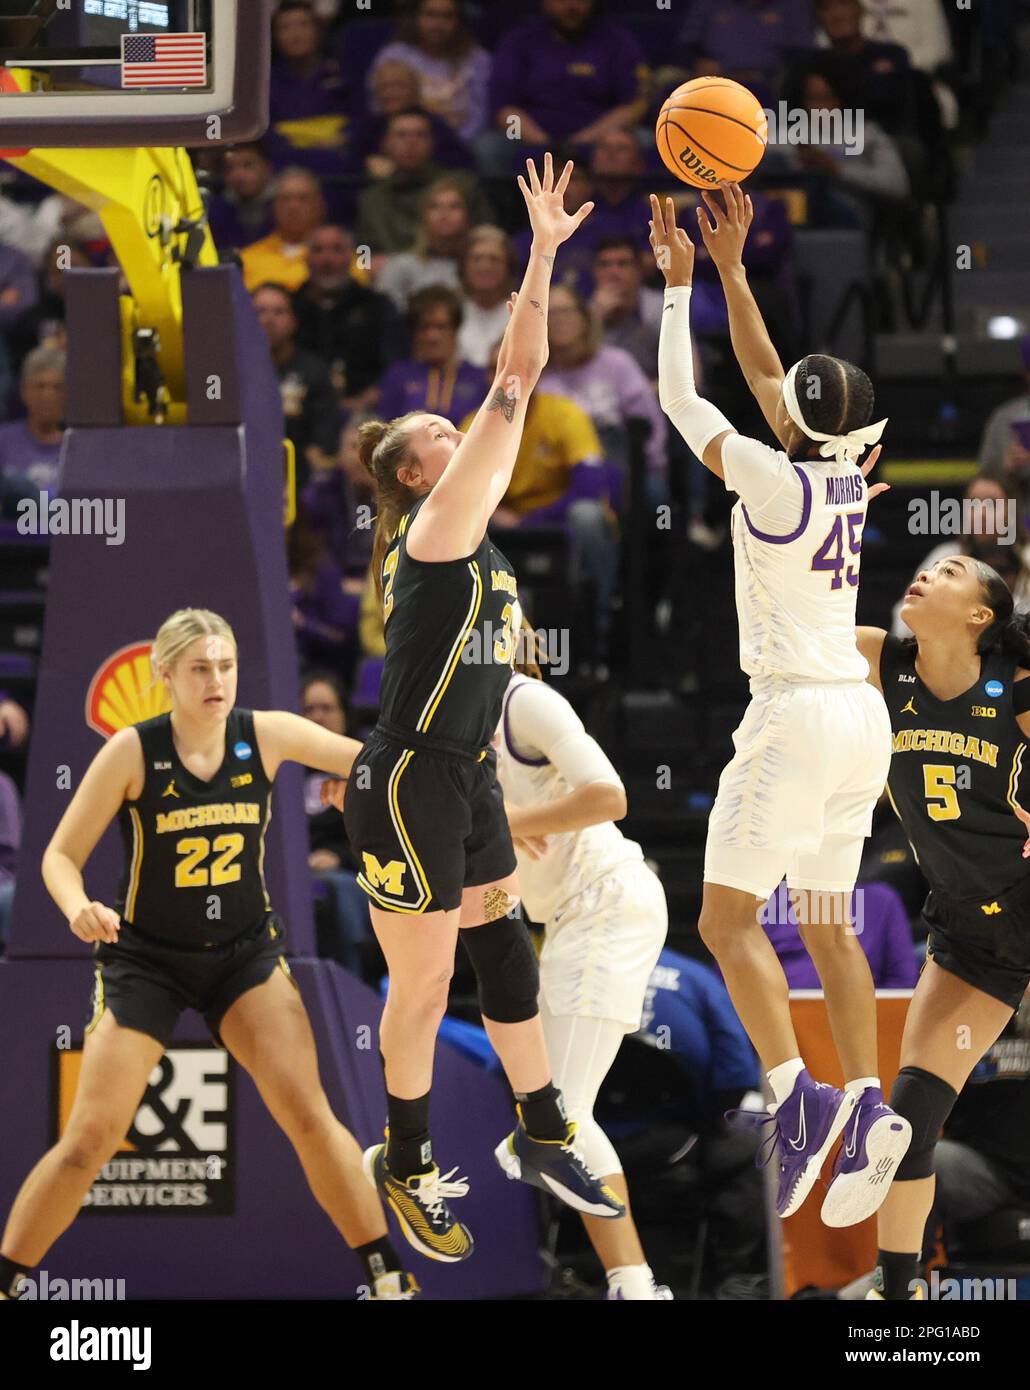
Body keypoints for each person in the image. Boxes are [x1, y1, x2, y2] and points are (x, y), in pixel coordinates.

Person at [322, 155, 623, 1263]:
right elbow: (519, 374)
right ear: (411, 477)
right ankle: (400, 1153)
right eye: (429, 439)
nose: (453, 434)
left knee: (504, 941)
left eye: (447, 431)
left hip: (461, 775)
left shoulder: (480, 554)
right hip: (404, 776)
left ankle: (542, 1123)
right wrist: (543, 251)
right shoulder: (439, 526)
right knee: (426, 974)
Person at [0, 608, 417, 1301]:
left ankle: (388, 1277)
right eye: (200, 669)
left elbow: (377, 761)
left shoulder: (267, 733)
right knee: (89, 1139)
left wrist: (413, 780)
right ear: (165, 675)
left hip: (243, 955)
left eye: (225, 666)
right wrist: (77, 906)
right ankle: (11, 1282)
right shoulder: (134, 751)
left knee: (310, 1115)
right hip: (146, 961)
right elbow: (59, 856)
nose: (217, 680)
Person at [649, 185, 909, 1227]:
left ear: (791, 422)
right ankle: (867, 1097)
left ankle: (794, 1096)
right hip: (857, 718)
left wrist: (677, 294)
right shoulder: (845, 470)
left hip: (797, 714)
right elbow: (765, 381)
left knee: (722, 919)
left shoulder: (771, 477)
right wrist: (730, 267)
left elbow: (686, 400)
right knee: (830, 922)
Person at [854, 559, 1030, 1298]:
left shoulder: (1016, 688)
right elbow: (778, 629)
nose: (927, 573)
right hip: (971, 931)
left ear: (981, 617)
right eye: (929, 565)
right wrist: (816, 496)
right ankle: (901, 1300)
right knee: (909, 1118)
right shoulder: (873, 660)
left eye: (952, 571)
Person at [493, 632, 669, 1300]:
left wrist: (515, 818)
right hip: (565, 920)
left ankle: (636, 1287)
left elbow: (609, 795)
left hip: (606, 900)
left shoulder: (525, 701)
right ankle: (633, 1284)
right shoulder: (454, 730)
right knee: (547, 1120)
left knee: (558, 1117)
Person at [891, 475, 1030, 637]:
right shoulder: (945, 557)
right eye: (973, 503)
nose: (981, 513)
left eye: (992, 504)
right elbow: (903, 625)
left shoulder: (1027, 558)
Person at [292, 224, 402, 414]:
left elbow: (397, 368)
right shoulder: (290, 308)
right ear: (306, 258)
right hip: (302, 413)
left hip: (367, 412)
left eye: (336, 250)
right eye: (318, 250)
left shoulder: (378, 306)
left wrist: (367, 399)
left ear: (351, 256)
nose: (327, 260)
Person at [354, 110, 492, 258]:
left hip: (455, 271)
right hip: (391, 276)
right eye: (402, 135)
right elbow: (363, 251)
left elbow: (487, 236)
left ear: (432, 142)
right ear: (386, 143)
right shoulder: (370, 199)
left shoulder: (464, 186)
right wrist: (368, 264)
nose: (411, 142)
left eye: (420, 135)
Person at [252, 282, 341, 488]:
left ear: (293, 321)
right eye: (260, 311)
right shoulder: (233, 371)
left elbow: (324, 439)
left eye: (279, 312)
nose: (269, 320)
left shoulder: (314, 371)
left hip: (301, 480)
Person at [370, 0, 492, 143]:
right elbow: (378, 106)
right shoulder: (394, 56)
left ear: (459, 21)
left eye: (447, 16)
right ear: (416, 17)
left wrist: (455, 143)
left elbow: (480, 116)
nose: (437, 24)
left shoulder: (478, 60)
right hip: (404, 143)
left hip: (461, 143)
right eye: (430, 15)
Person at [375, 285, 487, 426]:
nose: (432, 336)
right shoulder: (397, 376)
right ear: (413, 332)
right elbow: (386, 431)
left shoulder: (479, 379)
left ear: (456, 329)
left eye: (441, 327)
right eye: (424, 327)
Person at [375, 177, 471, 313]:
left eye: (454, 206)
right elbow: (388, 318)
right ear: (423, 216)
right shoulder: (400, 266)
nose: (444, 213)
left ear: (467, 216)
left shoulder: (479, 267)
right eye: (435, 206)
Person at [0, 345, 65, 515]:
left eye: (57, 387)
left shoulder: (78, 448)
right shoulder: (3, 440)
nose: (47, 395)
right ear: (24, 391)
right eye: (40, 386)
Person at [239, 168, 327, 293]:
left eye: (303, 198)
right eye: (285, 199)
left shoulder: (342, 259)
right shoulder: (246, 260)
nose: (293, 207)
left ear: (319, 206)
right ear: (273, 207)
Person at [456, 226, 517, 369]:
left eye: (494, 259)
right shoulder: (451, 310)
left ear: (508, 266)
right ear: (463, 266)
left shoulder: (523, 312)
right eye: (476, 259)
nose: (485, 266)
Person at [206, 143, 276, 255]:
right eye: (230, 168)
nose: (238, 175)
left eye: (247, 166)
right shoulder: (214, 211)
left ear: (267, 168)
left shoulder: (284, 206)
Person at [979, 336, 1030, 482]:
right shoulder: (1004, 419)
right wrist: (1007, 468)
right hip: (1020, 502)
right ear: (1025, 374)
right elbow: (984, 483)